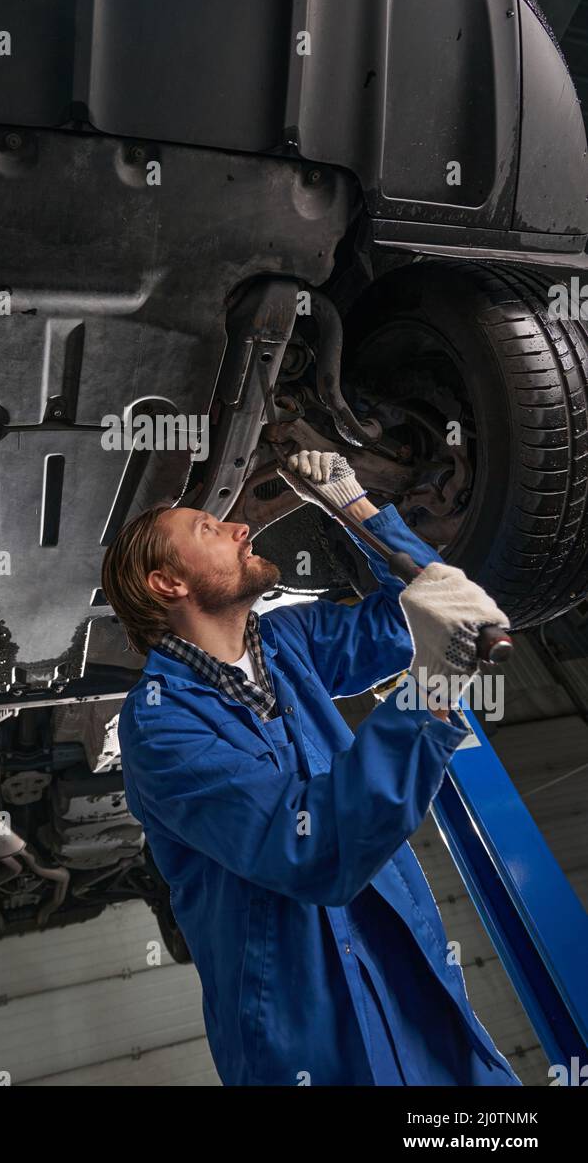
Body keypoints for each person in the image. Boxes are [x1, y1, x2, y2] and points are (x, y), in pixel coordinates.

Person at [100, 448, 523, 1086]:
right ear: (168, 583)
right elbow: (310, 848)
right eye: (210, 530)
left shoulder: (289, 640)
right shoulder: (159, 728)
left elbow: (432, 605)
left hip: (413, 985)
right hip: (308, 1041)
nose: (241, 526)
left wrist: (355, 508)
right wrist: (428, 691)